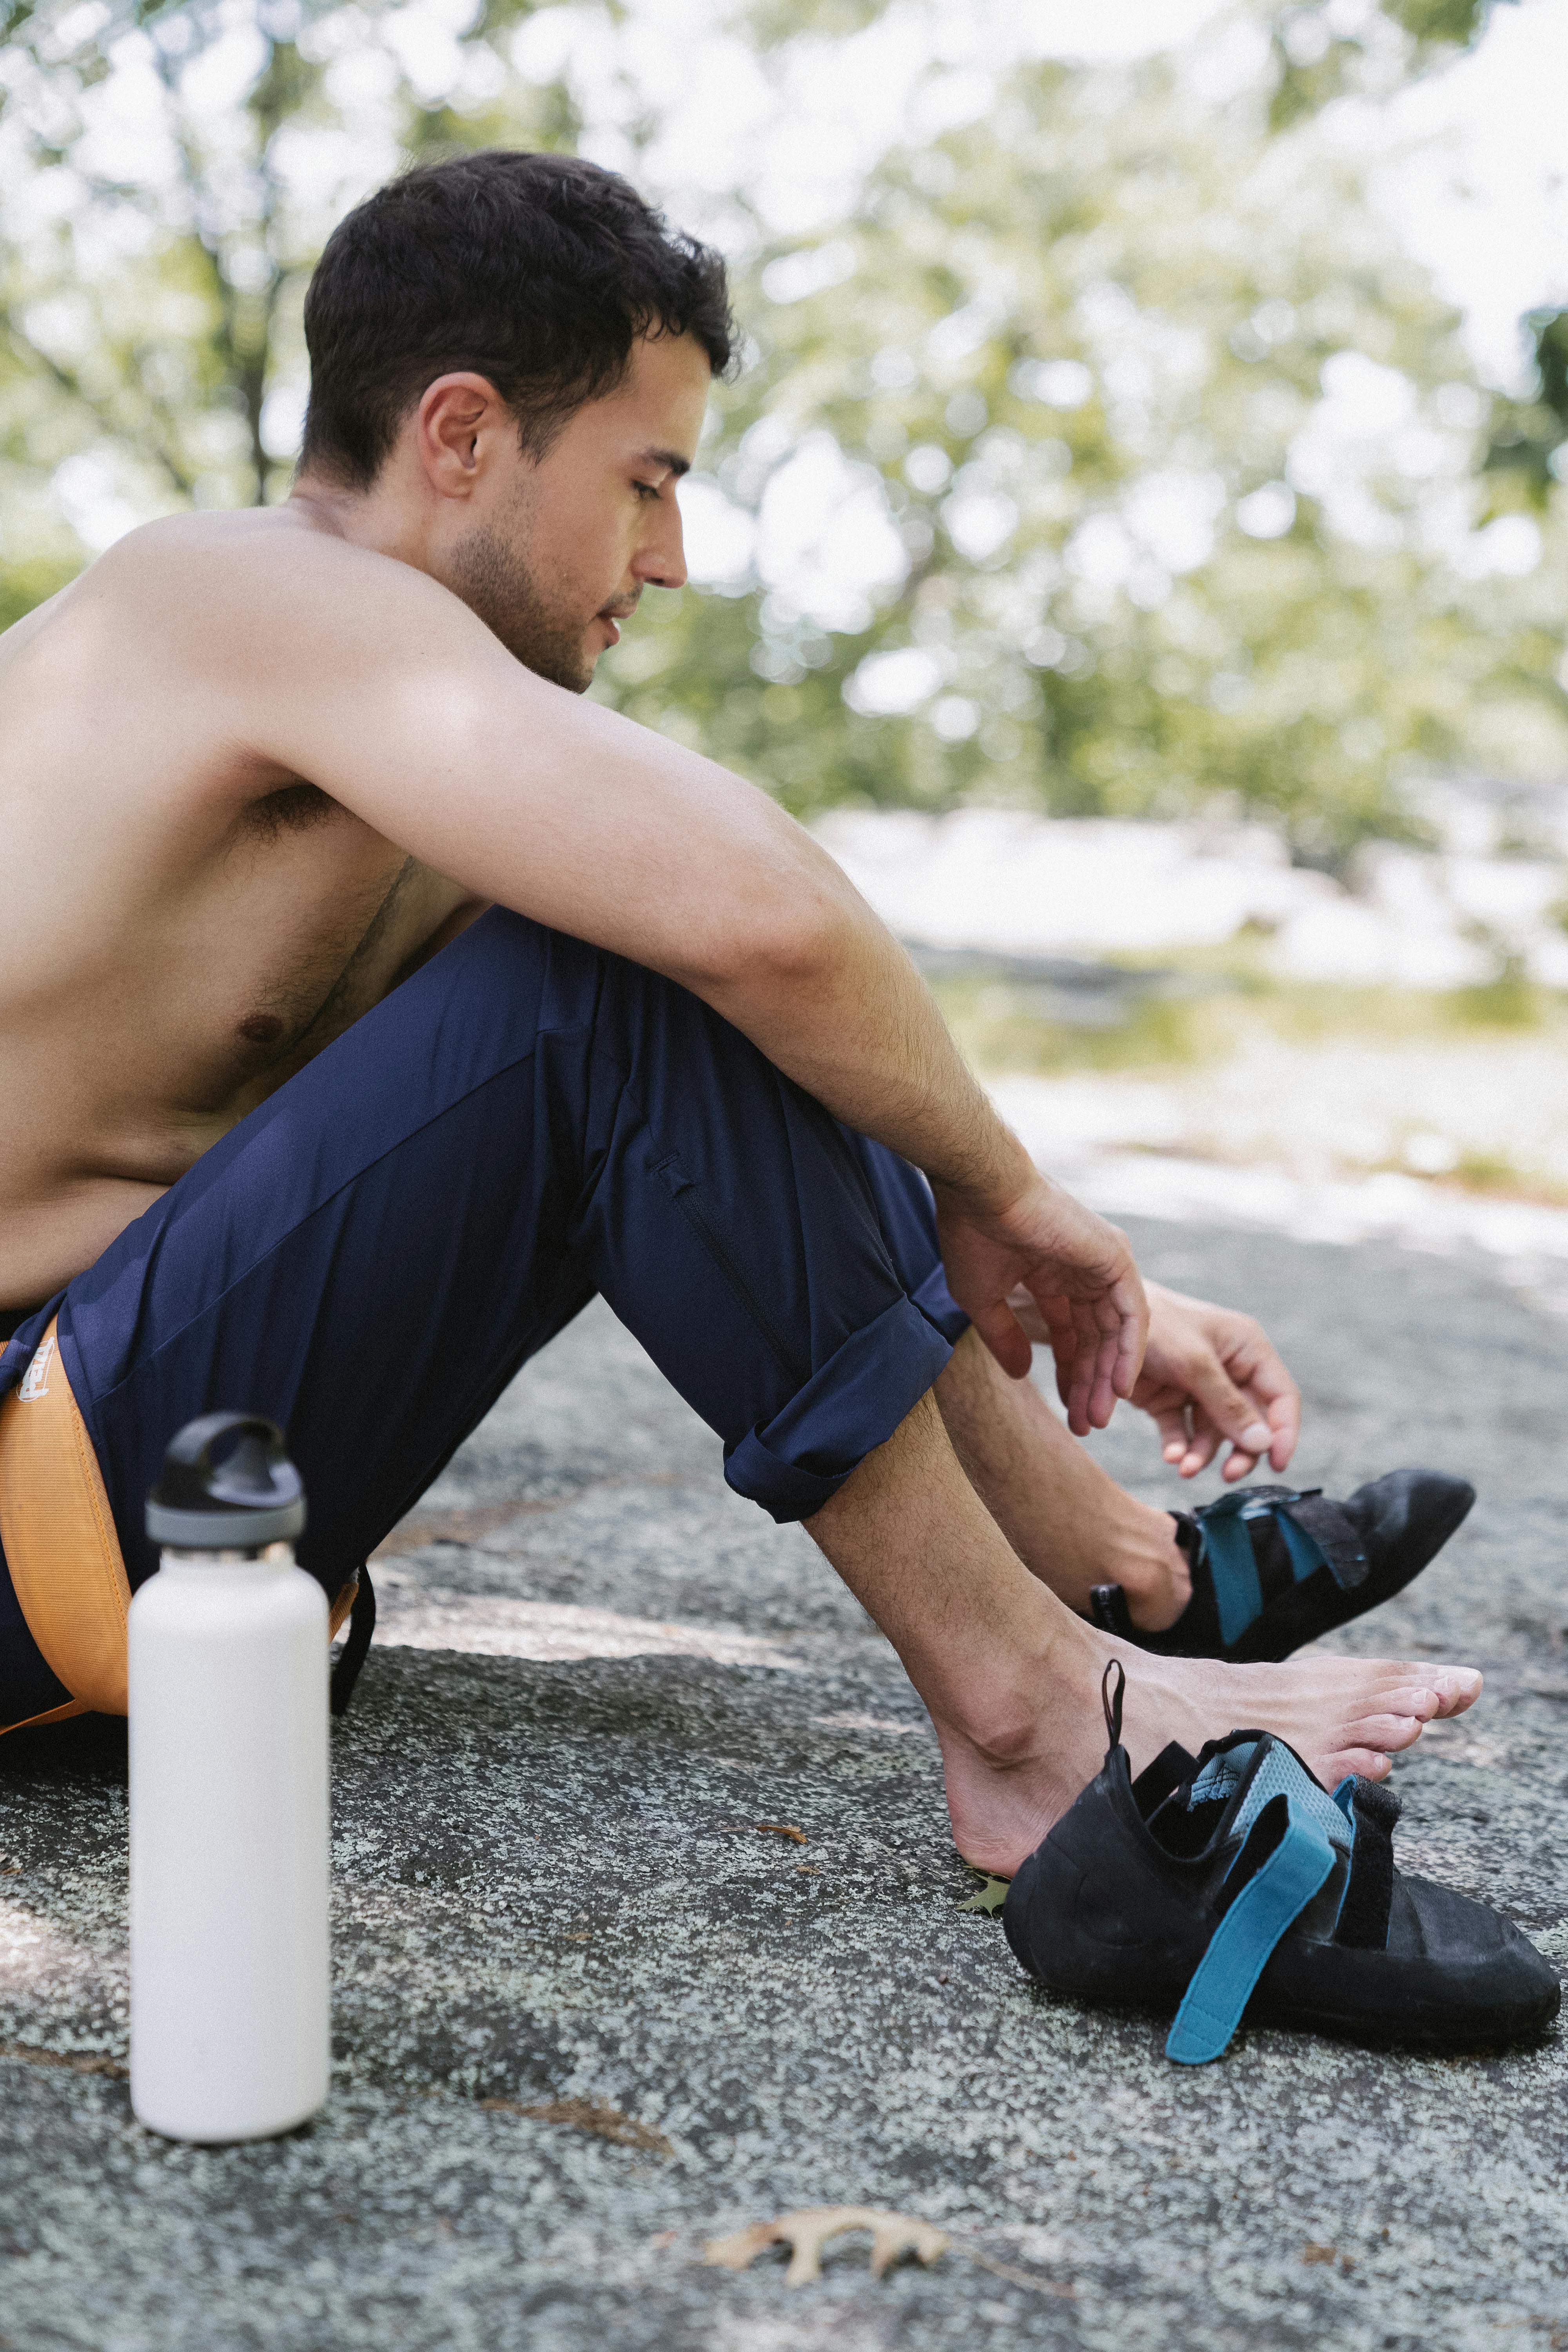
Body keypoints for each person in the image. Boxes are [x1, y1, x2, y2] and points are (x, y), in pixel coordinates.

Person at [0, 149, 1481, 1880]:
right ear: (461, 433)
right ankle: (1026, 1717)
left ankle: (1114, 1569)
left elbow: (760, 1008)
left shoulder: (389, 737)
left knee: (660, 970)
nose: (675, 555)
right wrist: (1014, 1197)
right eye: (646, 481)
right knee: (622, 981)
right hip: (43, 1516)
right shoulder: (234, 593)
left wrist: (1087, 1277)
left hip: (151, 1511)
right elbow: (758, 914)